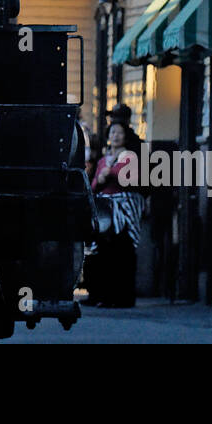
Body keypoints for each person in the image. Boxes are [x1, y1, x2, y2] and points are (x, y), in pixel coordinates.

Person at [82, 109, 144, 308]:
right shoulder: (102, 160)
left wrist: (112, 175)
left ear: (125, 136)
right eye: (112, 133)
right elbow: (93, 186)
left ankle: (120, 297)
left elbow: (132, 180)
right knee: (99, 254)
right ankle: (98, 294)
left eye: (119, 132)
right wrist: (100, 179)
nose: (115, 136)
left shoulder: (130, 157)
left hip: (123, 213)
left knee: (121, 256)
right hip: (104, 213)